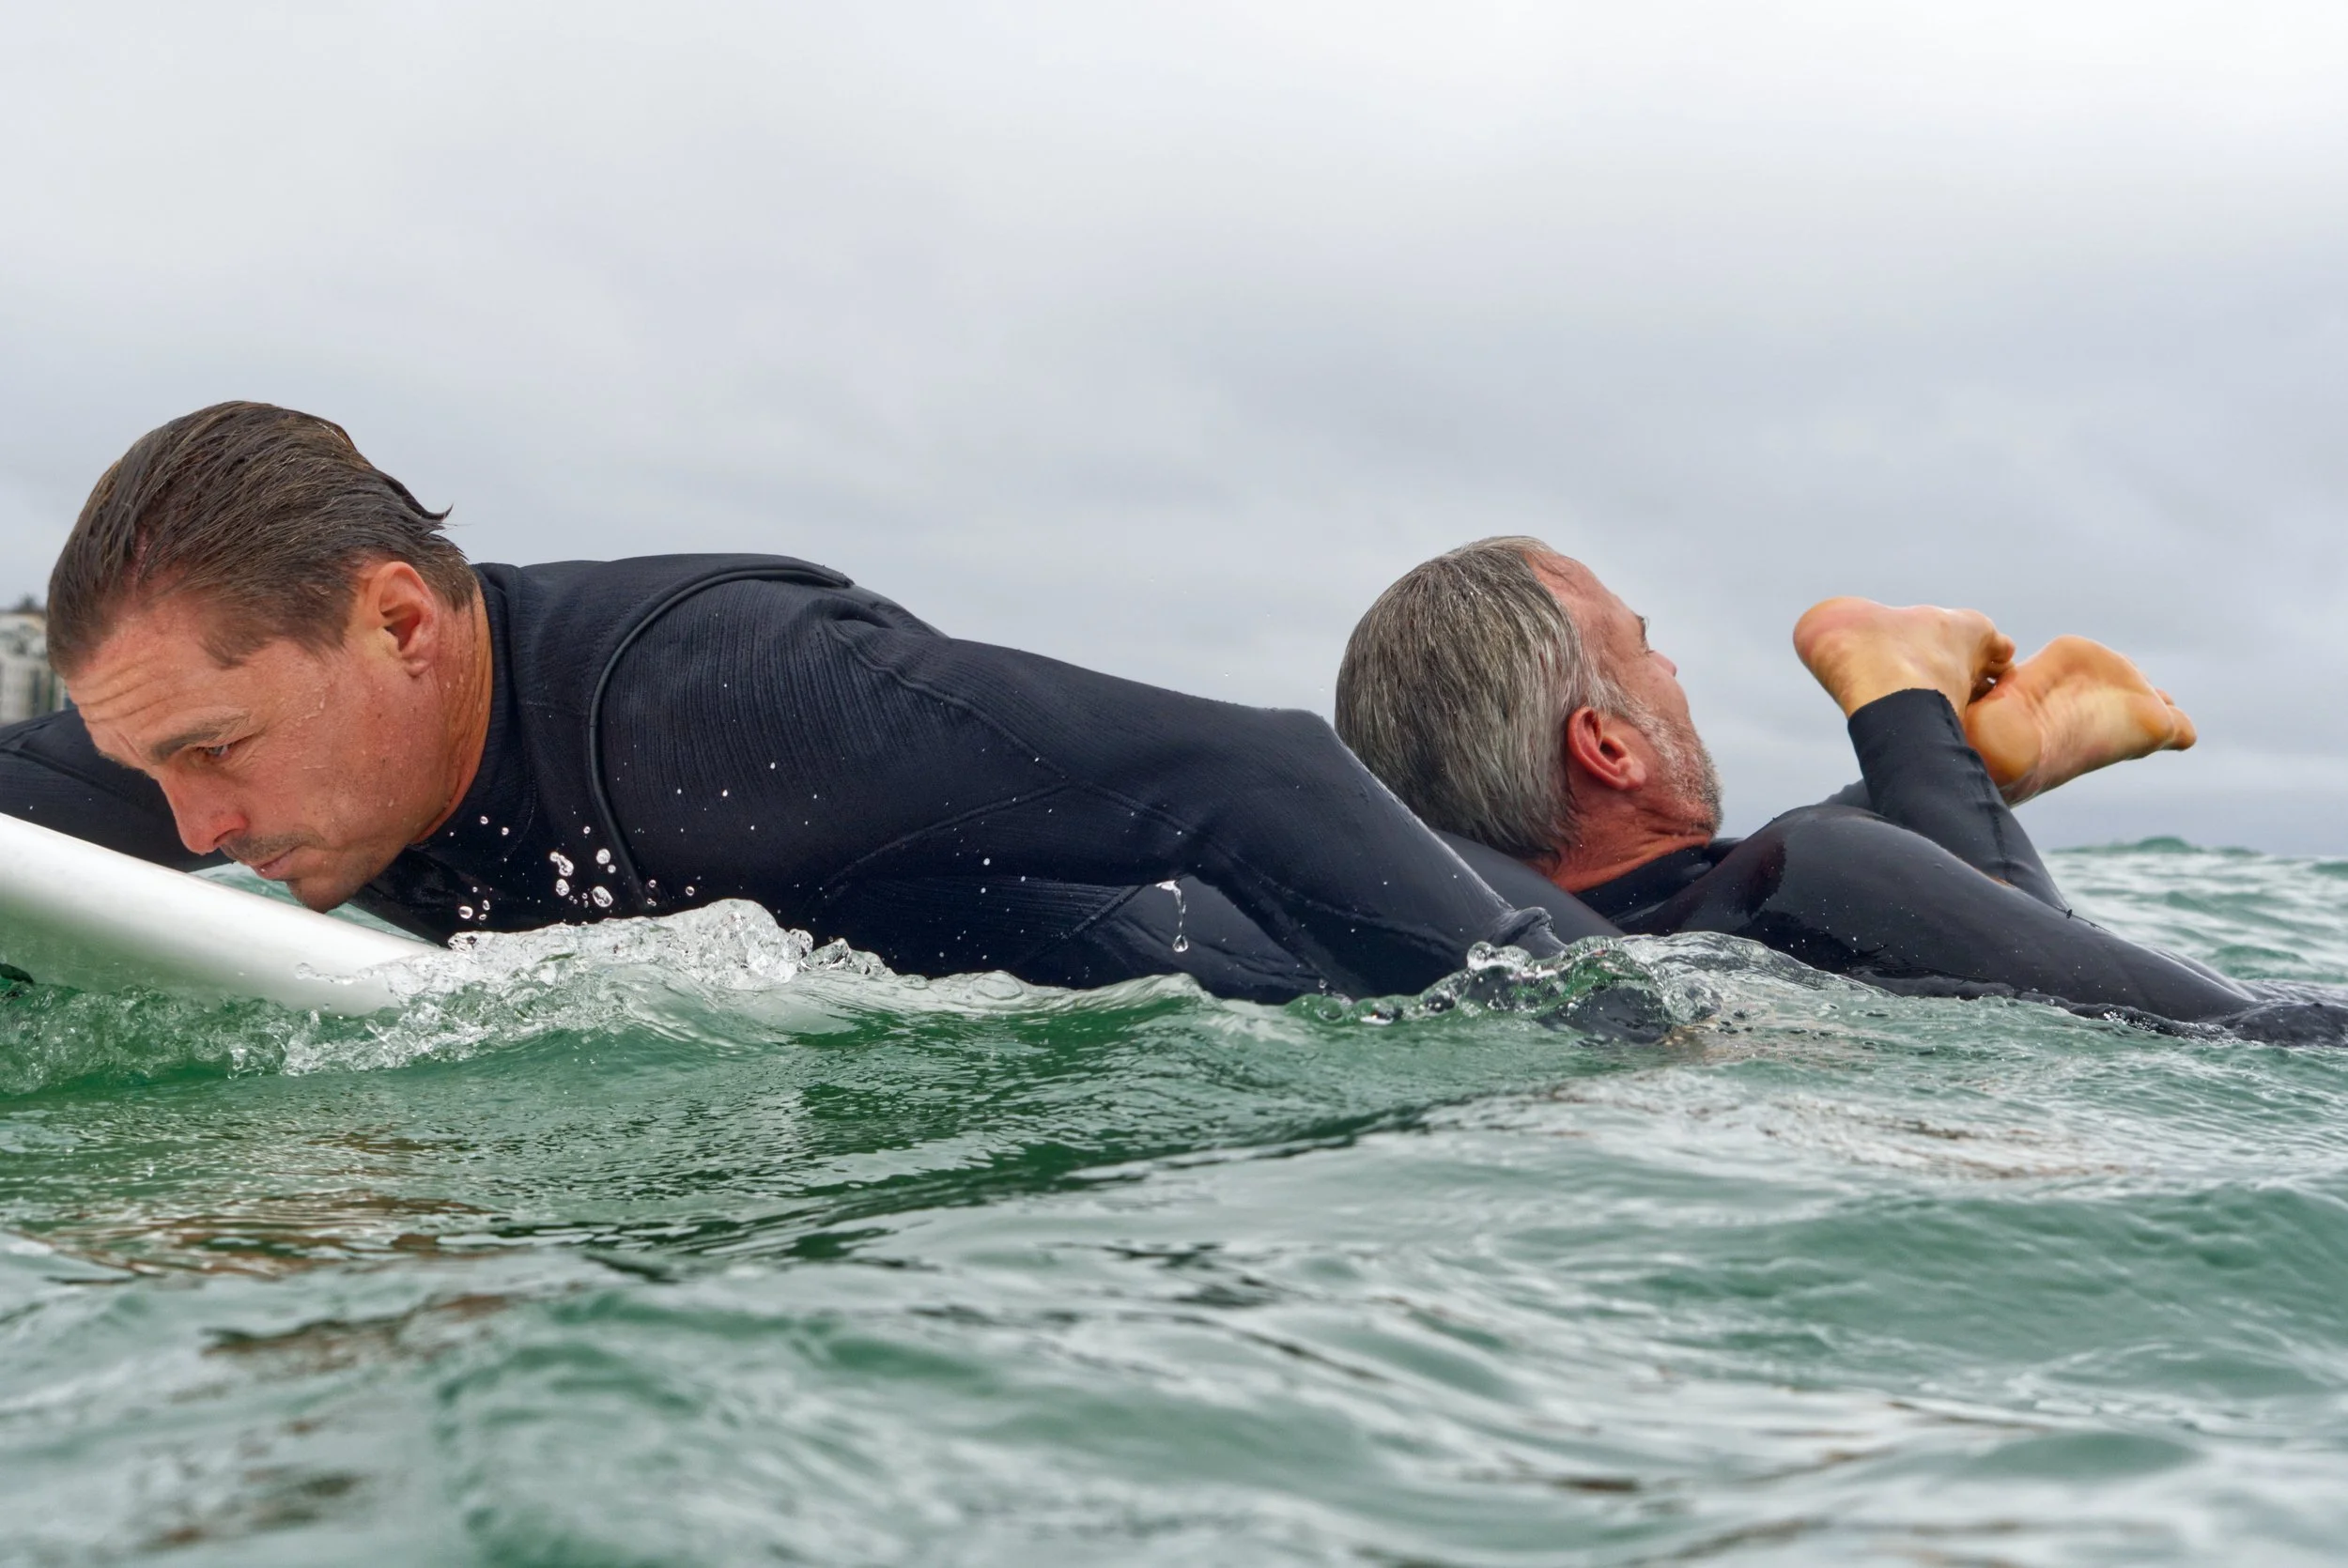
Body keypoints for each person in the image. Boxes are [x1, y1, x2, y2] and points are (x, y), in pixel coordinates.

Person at [0, 402, 1568, 1004]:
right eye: (161, 767)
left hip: (1270, 1004)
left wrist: (1597, 1039)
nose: (191, 825)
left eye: (214, 755)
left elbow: (1247, 775)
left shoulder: (727, 703)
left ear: (394, 621)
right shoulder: (247, 747)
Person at [1334, 536, 2341, 1037]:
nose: (1672, 674)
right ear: (1608, 748)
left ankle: (1971, 759)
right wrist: (1900, 716)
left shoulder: (1510, 969)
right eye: (1645, 651)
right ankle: (1899, 687)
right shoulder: (1806, 866)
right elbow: (2188, 1031)